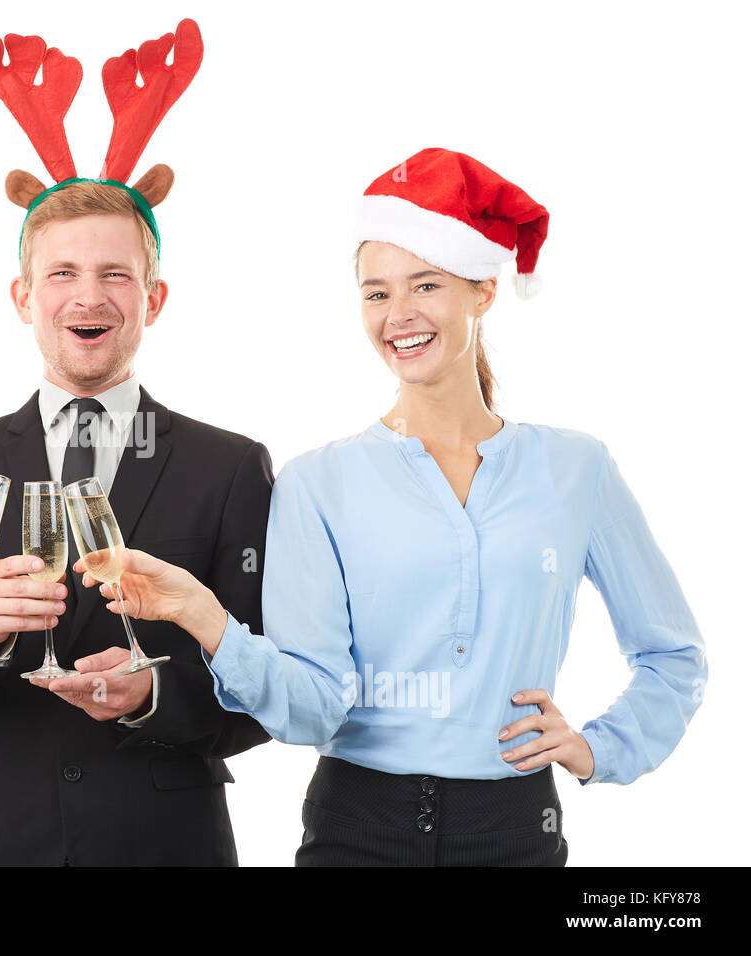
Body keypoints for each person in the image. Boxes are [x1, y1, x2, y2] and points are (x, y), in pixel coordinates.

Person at [77, 148, 708, 866]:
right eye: (376, 293)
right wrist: (203, 615)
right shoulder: (319, 482)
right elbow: (311, 708)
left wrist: (602, 748)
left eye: (425, 285)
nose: (397, 315)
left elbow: (673, 655)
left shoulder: (575, 469)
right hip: (355, 827)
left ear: (483, 292)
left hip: (513, 829)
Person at [0, 20, 274, 865]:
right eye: (62, 273)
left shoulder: (232, 466)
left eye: (114, 274)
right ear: (22, 296)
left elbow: (268, 698)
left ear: (154, 297)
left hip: (167, 843)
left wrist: (151, 700)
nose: (86, 295)